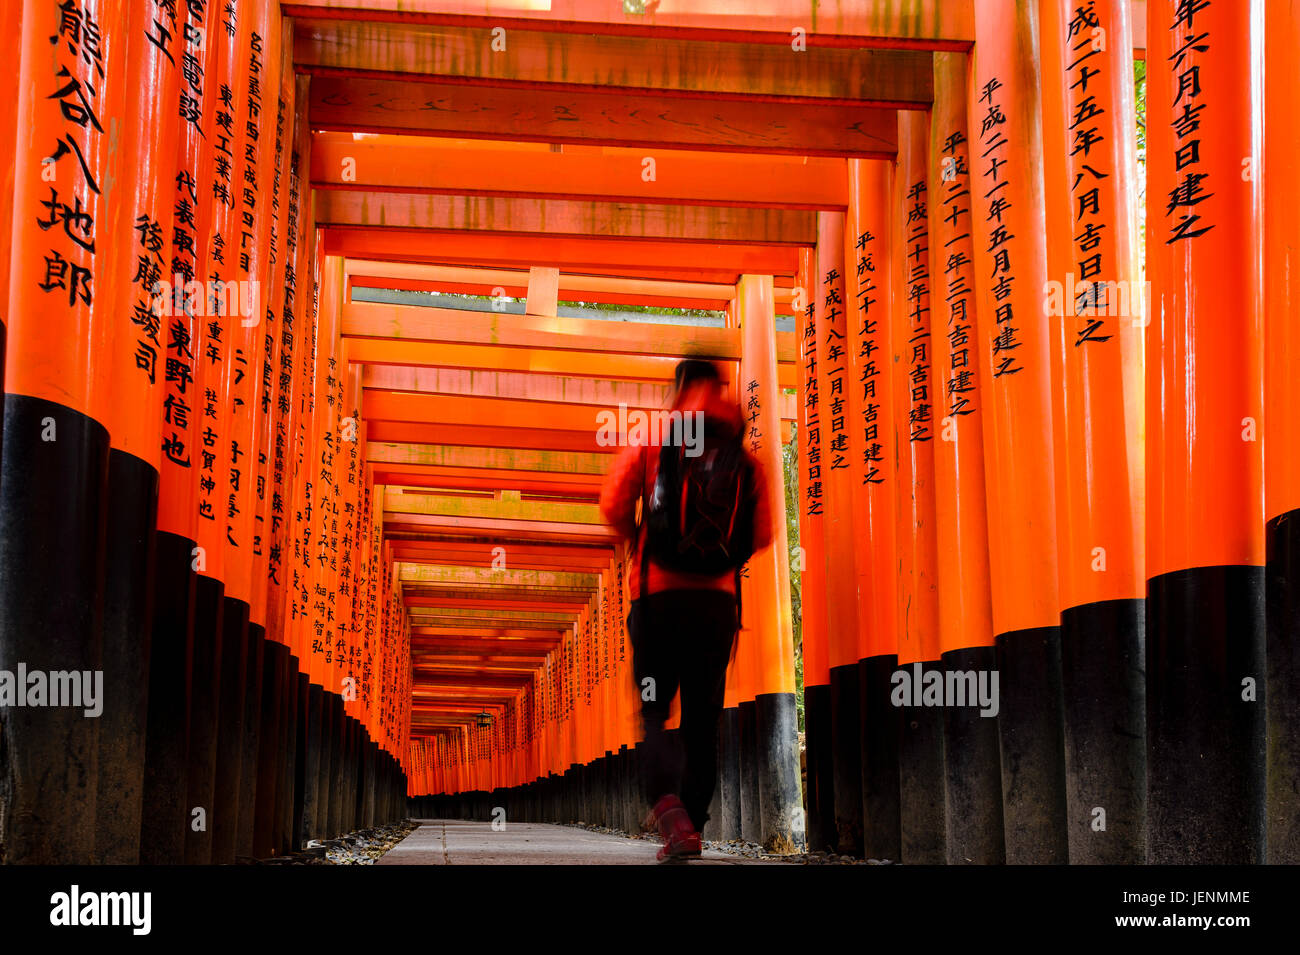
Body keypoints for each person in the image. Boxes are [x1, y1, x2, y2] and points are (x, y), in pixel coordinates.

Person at [599, 358, 772, 862]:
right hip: (715, 609)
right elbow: (761, 535)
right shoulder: (745, 458)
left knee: (654, 711)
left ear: (678, 389)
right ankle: (693, 825)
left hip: (657, 603)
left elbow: (611, 503)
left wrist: (640, 542)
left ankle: (669, 809)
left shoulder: (654, 439)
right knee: (703, 719)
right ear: (721, 390)